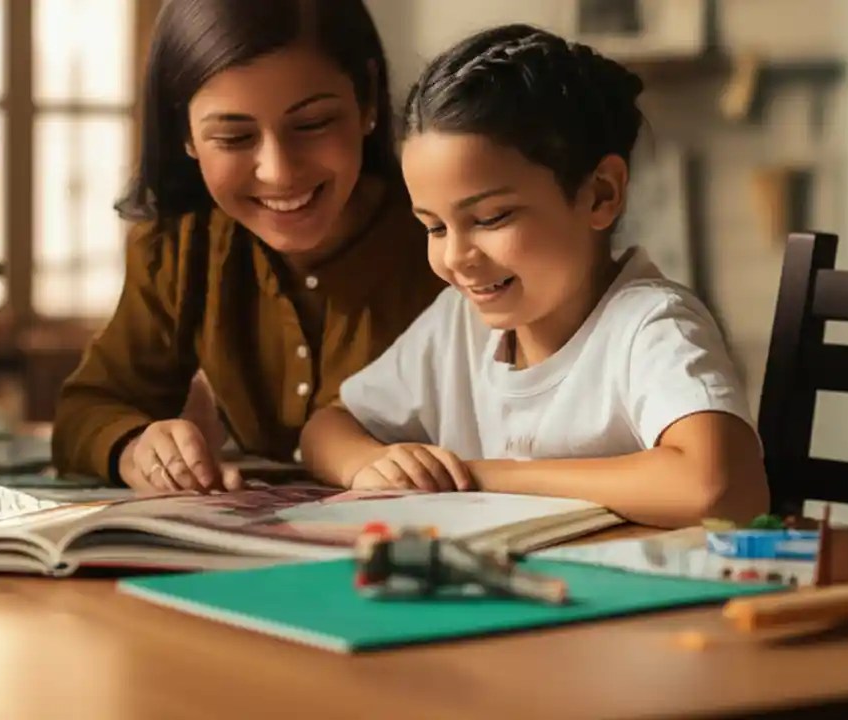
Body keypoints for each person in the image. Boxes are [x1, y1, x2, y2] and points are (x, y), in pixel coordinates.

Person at [299, 24, 769, 528]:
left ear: (601, 194)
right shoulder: (457, 325)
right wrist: (367, 464)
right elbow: (325, 426)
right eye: (434, 226)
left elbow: (718, 485)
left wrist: (483, 476)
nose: (456, 257)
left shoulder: (650, 326)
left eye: (491, 218)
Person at [52, 0, 445, 493]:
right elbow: (88, 409)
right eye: (235, 137)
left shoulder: (449, 237)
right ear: (185, 133)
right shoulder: (181, 245)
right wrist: (137, 449)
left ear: (366, 98)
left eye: (312, 124)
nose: (279, 171)